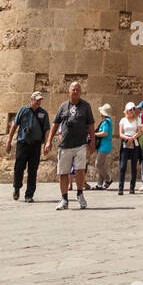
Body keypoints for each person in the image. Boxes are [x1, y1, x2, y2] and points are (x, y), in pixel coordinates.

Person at [45, 81, 95, 210]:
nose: (75, 92)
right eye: (73, 90)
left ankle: (80, 194)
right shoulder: (63, 106)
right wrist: (49, 141)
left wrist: (93, 142)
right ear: (69, 92)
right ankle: (64, 198)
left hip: (80, 144)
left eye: (78, 90)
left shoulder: (86, 106)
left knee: (79, 170)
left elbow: (90, 124)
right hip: (65, 145)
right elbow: (55, 124)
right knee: (63, 172)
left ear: (80, 92)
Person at [5, 90, 50, 203]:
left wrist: (47, 143)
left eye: (40, 100)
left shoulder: (43, 113)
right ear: (31, 100)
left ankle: (29, 194)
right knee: (19, 168)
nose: (38, 102)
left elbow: (47, 129)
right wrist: (9, 141)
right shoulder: (23, 110)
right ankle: (17, 187)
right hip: (23, 143)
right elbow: (14, 125)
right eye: (37, 100)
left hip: (35, 145)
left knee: (33, 170)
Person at [118, 102, 141, 195]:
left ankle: (132, 187)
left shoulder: (137, 120)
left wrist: (133, 138)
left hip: (134, 143)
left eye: (133, 109)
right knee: (123, 166)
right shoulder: (123, 120)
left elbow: (139, 132)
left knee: (133, 166)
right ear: (127, 110)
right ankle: (120, 188)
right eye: (130, 109)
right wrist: (127, 138)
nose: (132, 111)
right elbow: (120, 133)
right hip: (125, 143)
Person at [94, 103, 113, 189]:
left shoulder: (106, 122)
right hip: (104, 145)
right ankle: (99, 184)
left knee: (98, 164)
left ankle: (108, 179)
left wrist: (95, 134)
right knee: (101, 164)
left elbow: (105, 133)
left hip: (104, 146)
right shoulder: (107, 121)